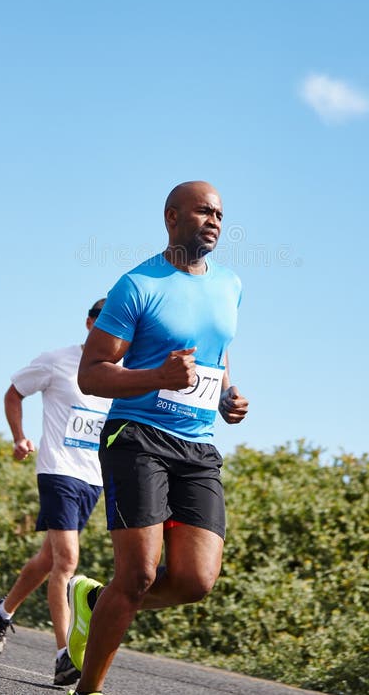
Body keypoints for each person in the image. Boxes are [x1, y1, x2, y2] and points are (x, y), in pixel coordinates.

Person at [65, 181, 249, 695]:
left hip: (198, 444)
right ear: (171, 217)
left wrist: (226, 395)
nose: (213, 220)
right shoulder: (138, 284)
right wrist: (156, 378)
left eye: (219, 213)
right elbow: (92, 374)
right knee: (140, 575)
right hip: (137, 435)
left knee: (195, 581)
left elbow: (216, 353)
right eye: (202, 211)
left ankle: (98, 603)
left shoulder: (230, 284)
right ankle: (89, 689)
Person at [0, 300, 111, 688]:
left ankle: (2, 611)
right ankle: (64, 657)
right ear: (90, 324)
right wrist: (19, 437)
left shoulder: (122, 374)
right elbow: (13, 393)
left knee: (47, 558)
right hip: (57, 470)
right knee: (67, 561)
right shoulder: (57, 360)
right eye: (106, 325)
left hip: (93, 479)